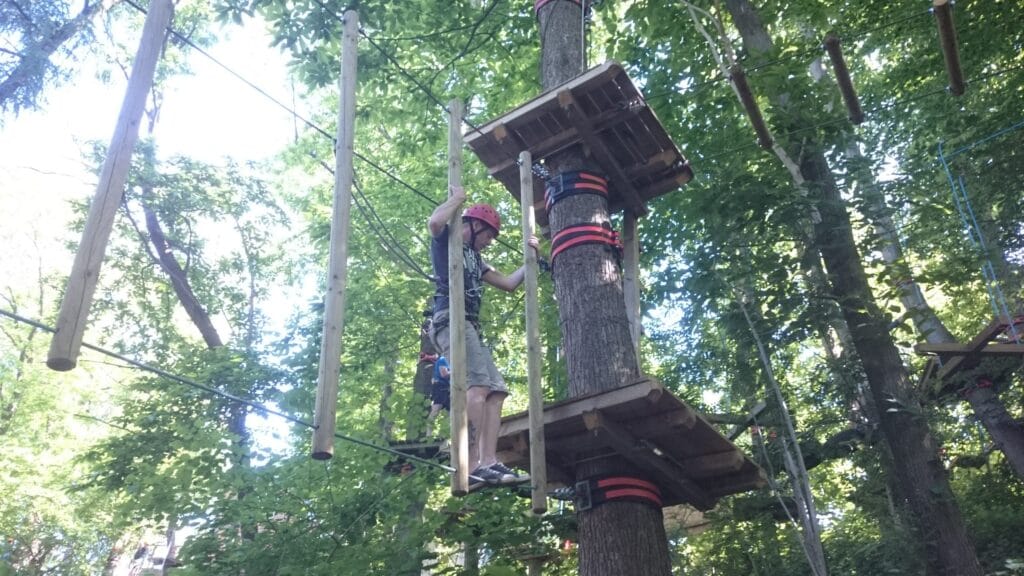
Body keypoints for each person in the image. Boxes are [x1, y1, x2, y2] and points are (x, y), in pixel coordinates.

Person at [428, 185, 539, 487]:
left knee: (497, 390)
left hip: (469, 326)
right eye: (489, 235)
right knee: (477, 387)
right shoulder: (448, 240)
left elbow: (507, 283)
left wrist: (530, 259)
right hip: (449, 319)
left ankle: (489, 461)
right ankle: (472, 462)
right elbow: (435, 222)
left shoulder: (477, 260)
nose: (490, 243)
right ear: (475, 226)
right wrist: (457, 199)